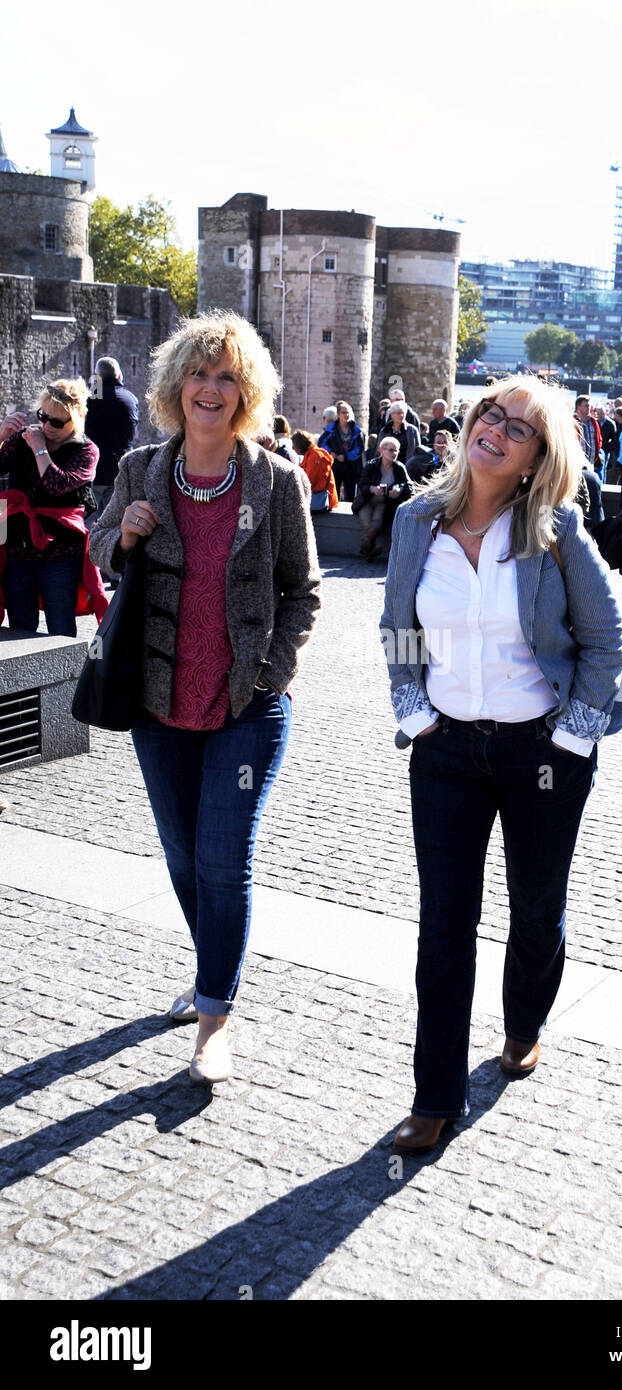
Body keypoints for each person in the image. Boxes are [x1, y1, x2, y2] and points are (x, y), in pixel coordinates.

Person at [380, 375, 622, 1152]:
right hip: (446, 751)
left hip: (541, 754)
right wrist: (415, 714)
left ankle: (525, 1023)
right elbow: (398, 627)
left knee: (535, 909)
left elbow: (605, 642)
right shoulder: (418, 519)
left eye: (519, 427)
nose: (497, 428)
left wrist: (572, 738)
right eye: (492, 412)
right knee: (443, 926)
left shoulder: (555, 531)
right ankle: (434, 1095)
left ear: (534, 459)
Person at [89, 311, 321, 1086]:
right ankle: (210, 965)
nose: (210, 389)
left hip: (246, 707)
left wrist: (270, 672)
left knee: (224, 859)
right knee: (184, 856)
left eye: (227, 377)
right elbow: (99, 544)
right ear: (174, 386)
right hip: (157, 701)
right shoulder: (141, 471)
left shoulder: (278, 480)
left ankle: (214, 1018)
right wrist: (124, 533)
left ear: (247, 392)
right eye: (198, 373)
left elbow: (304, 592)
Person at [0, 379, 107, 636]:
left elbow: (58, 485)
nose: (47, 425)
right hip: (19, 547)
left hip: (60, 553)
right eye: (43, 417)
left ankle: (66, 676)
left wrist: (39, 449)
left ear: (75, 420)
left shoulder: (87, 450)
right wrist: (1, 435)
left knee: (61, 629)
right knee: (19, 630)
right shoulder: (24, 438)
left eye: (57, 422)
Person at [85, 357, 139, 523]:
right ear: (120, 377)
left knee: (87, 527)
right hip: (119, 469)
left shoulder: (87, 400)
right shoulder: (131, 400)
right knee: (113, 527)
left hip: (93, 470)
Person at [353, 435, 411, 558]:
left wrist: (399, 489)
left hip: (384, 503)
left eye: (396, 450)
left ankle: (367, 550)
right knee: (369, 525)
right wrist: (372, 489)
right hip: (366, 501)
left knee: (377, 524)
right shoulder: (371, 465)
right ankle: (370, 549)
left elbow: (409, 485)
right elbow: (362, 485)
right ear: (381, 450)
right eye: (391, 450)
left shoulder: (399, 467)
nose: (394, 453)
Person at [324, 400, 365, 503]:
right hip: (336, 465)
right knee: (334, 491)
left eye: (347, 412)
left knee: (350, 493)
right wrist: (331, 453)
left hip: (351, 466)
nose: (346, 415)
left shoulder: (355, 429)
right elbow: (322, 444)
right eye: (343, 412)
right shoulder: (331, 429)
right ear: (338, 414)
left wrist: (346, 456)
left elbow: (360, 448)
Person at [292, 429, 339, 510]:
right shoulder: (311, 454)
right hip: (317, 496)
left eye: (294, 445)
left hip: (320, 499)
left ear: (300, 445)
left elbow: (309, 481)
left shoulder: (315, 456)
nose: (292, 448)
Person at [573, 395, 602, 474]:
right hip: (575, 464)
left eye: (589, 405)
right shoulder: (572, 422)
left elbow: (599, 439)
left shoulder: (593, 422)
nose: (589, 408)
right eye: (586, 406)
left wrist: (595, 456)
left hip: (590, 463)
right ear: (578, 407)